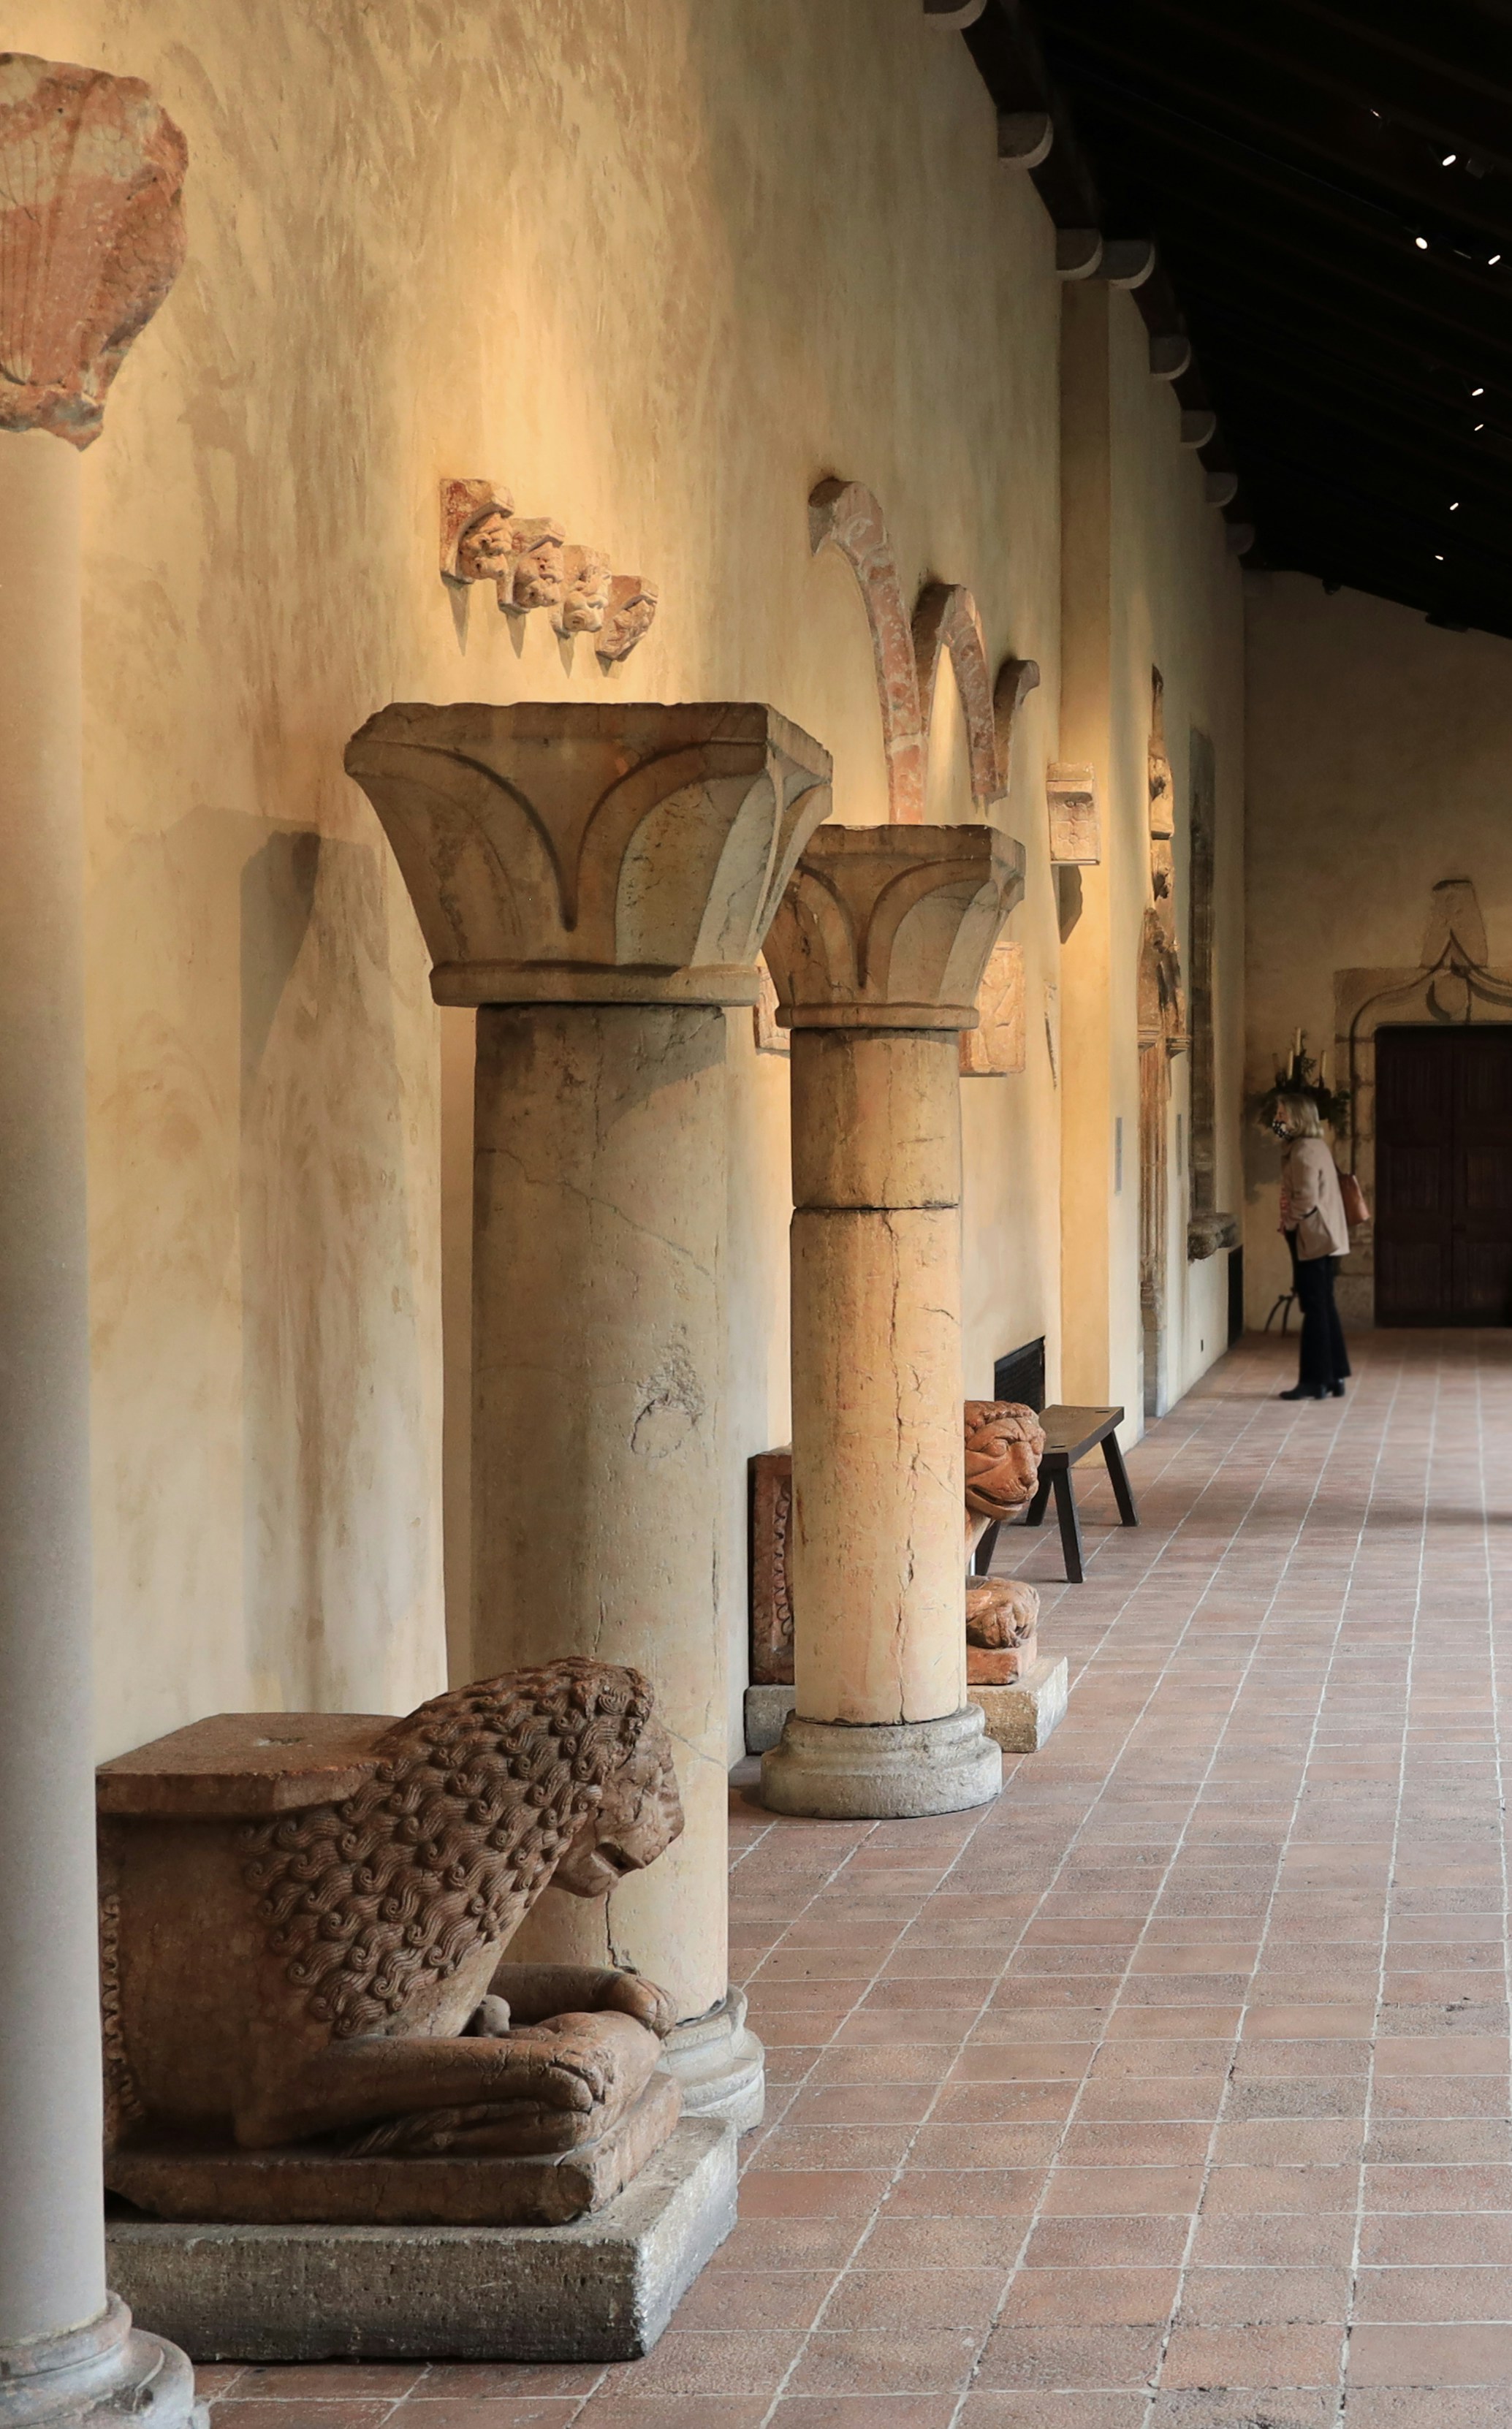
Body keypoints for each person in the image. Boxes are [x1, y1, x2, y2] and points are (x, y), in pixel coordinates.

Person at [1272, 1092, 1351, 1401]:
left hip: (1312, 1237)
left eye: (1282, 1114)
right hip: (1325, 1236)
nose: (1278, 1120)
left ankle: (1314, 1380)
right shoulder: (1315, 1146)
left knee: (1314, 1307)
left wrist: (1289, 1224)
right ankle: (1335, 1376)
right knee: (1325, 1306)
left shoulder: (1304, 1150)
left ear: (1298, 1118)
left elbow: (1305, 1198)